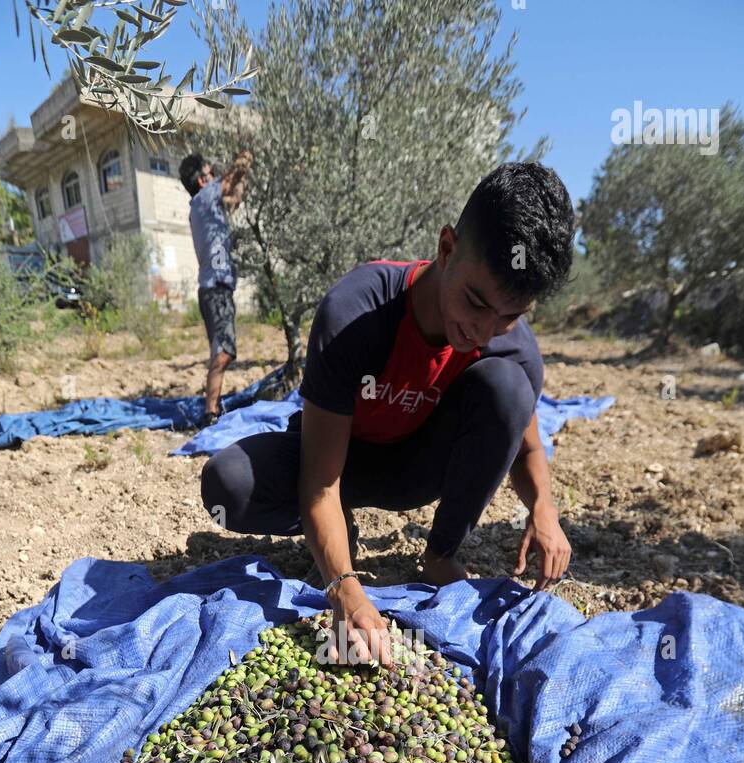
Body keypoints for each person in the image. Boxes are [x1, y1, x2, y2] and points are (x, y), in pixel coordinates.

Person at [201, 162, 575, 664]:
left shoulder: (508, 345)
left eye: (509, 316)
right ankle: (338, 534)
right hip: (339, 462)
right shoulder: (356, 312)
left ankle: (440, 553)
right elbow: (319, 485)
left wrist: (544, 510)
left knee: (511, 387)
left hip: (416, 469)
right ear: (446, 248)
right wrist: (342, 585)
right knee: (228, 484)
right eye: (476, 303)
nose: (483, 332)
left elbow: (526, 444)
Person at [179, 149, 253, 427]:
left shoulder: (207, 206)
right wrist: (245, 156)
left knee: (222, 351)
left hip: (215, 289)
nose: (214, 177)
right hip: (215, 290)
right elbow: (231, 178)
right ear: (201, 180)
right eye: (210, 172)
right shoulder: (203, 197)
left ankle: (212, 410)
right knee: (223, 353)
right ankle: (210, 414)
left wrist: (243, 176)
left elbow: (234, 197)